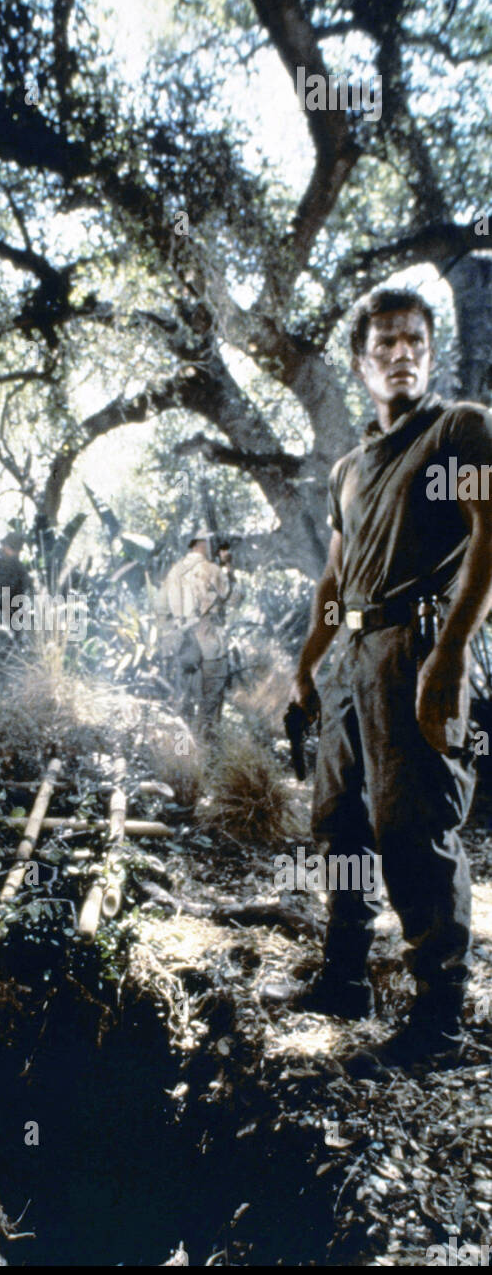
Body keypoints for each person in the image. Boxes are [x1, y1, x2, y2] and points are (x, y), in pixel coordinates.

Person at [275, 287, 492, 1071]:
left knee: (412, 825)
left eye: (414, 342)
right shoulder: (350, 468)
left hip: (421, 644)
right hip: (353, 657)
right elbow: (334, 581)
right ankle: (345, 977)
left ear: (428, 355)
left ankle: (439, 1018)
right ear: (362, 363)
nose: (401, 354)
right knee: (339, 821)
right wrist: (305, 669)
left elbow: (489, 537)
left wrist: (454, 651)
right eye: (385, 344)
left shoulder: (460, 429)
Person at [155, 531, 234, 733]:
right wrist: (228, 567)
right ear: (202, 544)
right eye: (210, 544)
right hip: (208, 641)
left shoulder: (175, 571)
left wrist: (169, 636)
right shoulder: (212, 569)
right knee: (212, 697)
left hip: (181, 641)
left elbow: (161, 607)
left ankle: (184, 752)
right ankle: (208, 752)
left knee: (184, 697)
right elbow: (234, 598)